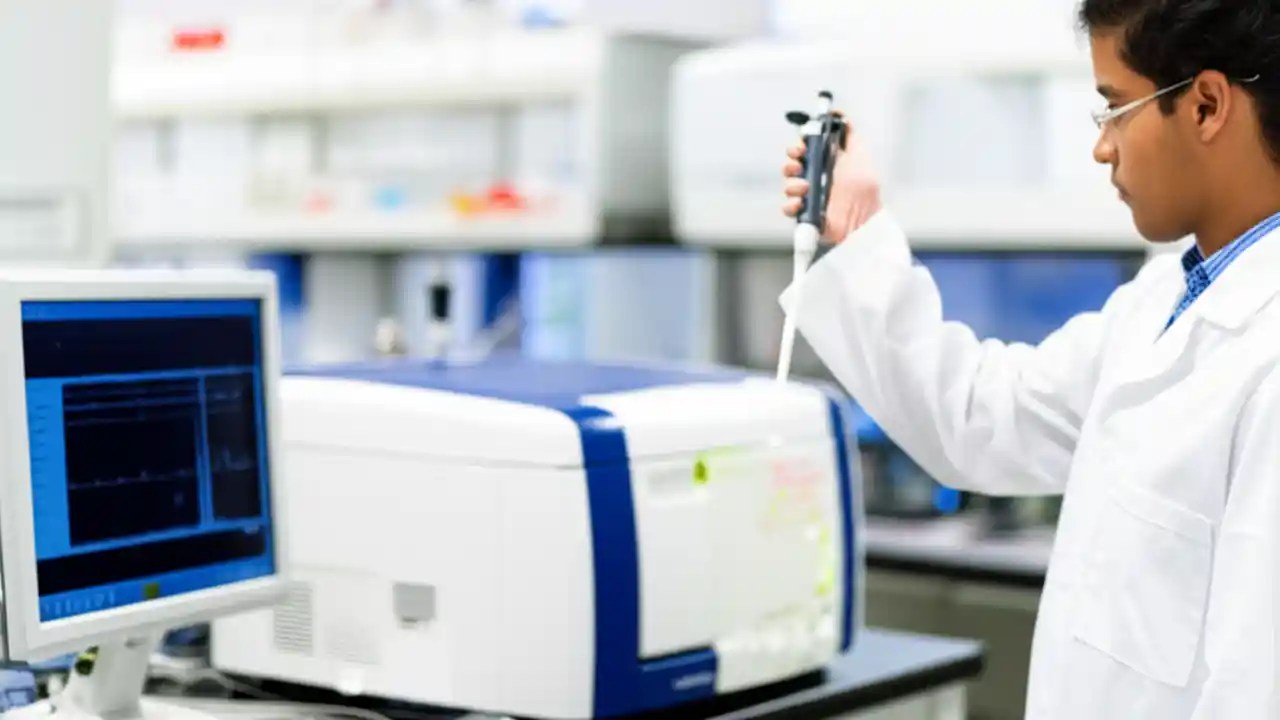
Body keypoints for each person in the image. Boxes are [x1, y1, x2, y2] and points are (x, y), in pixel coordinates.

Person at [780, 1, 1280, 718]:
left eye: (1115, 107)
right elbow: (983, 418)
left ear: (1205, 105)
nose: (1101, 147)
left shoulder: (1269, 363)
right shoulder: (1164, 296)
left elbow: (1255, 691)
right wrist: (855, 225)